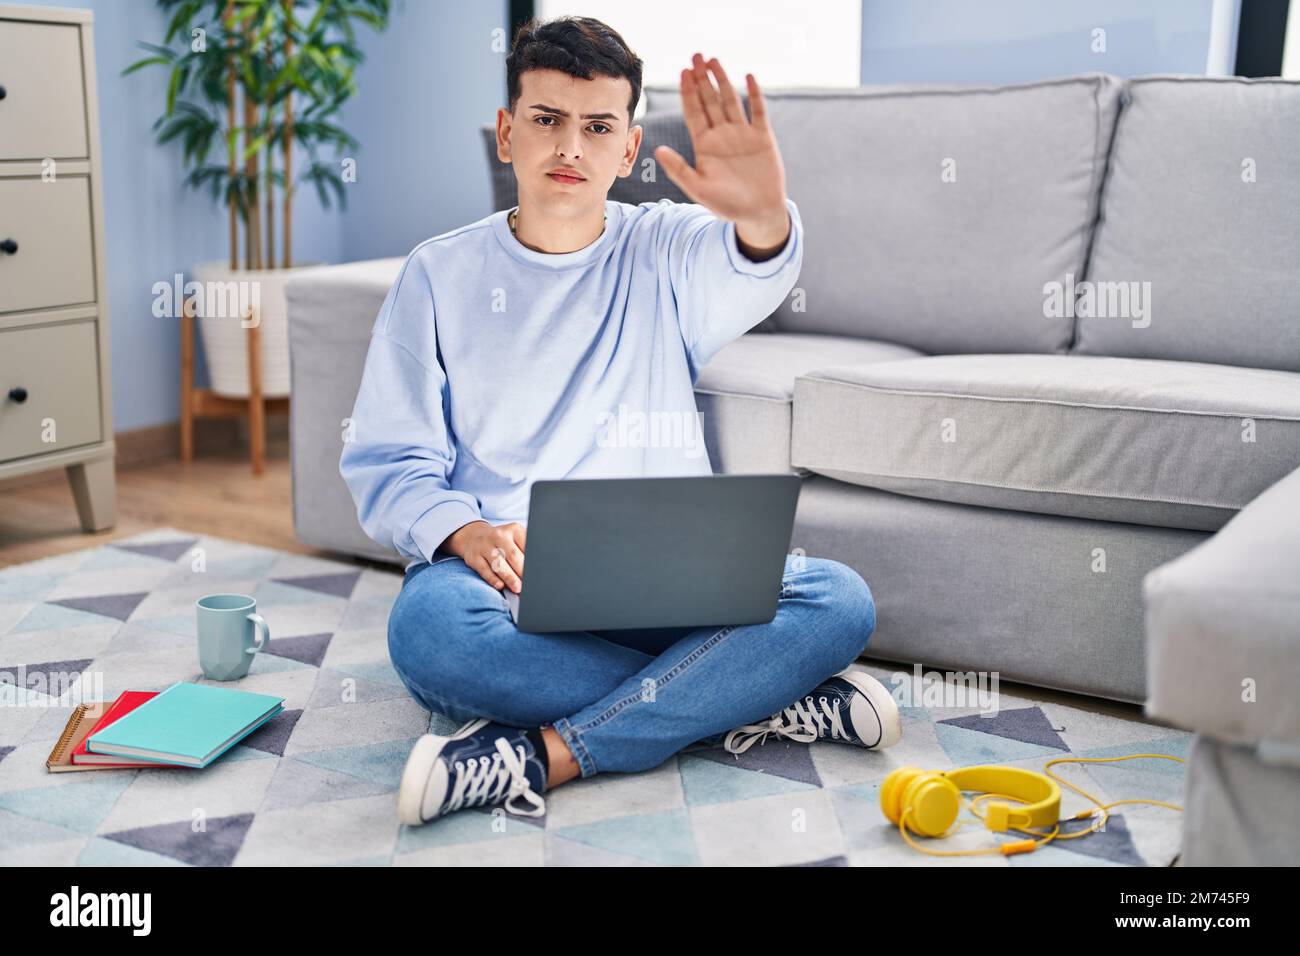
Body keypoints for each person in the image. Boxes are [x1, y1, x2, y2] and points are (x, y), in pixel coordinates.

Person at [339, 15, 900, 827]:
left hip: (667, 578)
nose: (571, 147)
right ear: (507, 134)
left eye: (598, 127)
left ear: (628, 150)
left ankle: (551, 752)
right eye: (547, 121)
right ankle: (752, 695)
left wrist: (765, 215)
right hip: (507, 583)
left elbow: (752, 263)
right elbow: (391, 461)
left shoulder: (666, 248)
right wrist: (464, 534)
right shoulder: (437, 275)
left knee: (839, 598)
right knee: (428, 636)